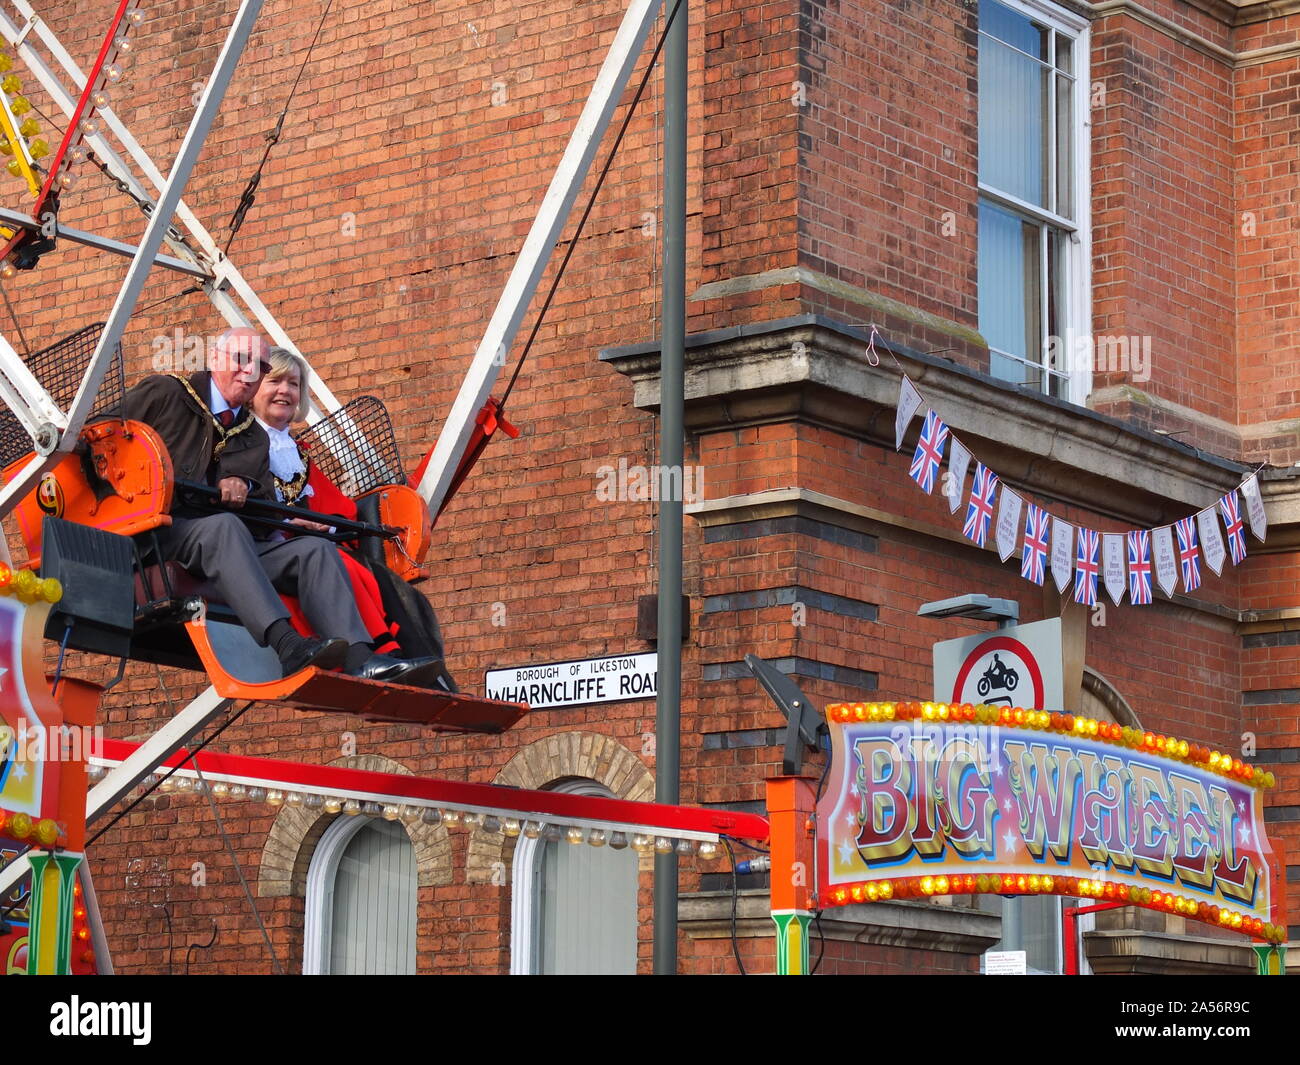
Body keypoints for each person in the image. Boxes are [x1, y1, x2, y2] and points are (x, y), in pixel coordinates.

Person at [121, 327, 447, 687]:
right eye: (240, 360)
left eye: (258, 366)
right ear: (215, 359)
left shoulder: (251, 434)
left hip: (226, 544)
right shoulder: (168, 393)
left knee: (315, 551)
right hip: (157, 532)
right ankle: (288, 645)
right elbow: (100, 437)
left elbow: (257, 502)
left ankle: (360, 658)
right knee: (224, 526)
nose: (248, 372)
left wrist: (246, 487)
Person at [250, 347, 456, 692]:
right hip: (269, 549)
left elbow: (340, 509)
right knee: (350, 568)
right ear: (253, 386)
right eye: (275, 381)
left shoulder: (296, 452)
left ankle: (424, 670)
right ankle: (377, 654)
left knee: (391, 584)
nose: (285, 391)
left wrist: (324, 525)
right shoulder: (239, 441)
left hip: (310, 548)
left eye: (294, 384)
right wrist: (286, 524)